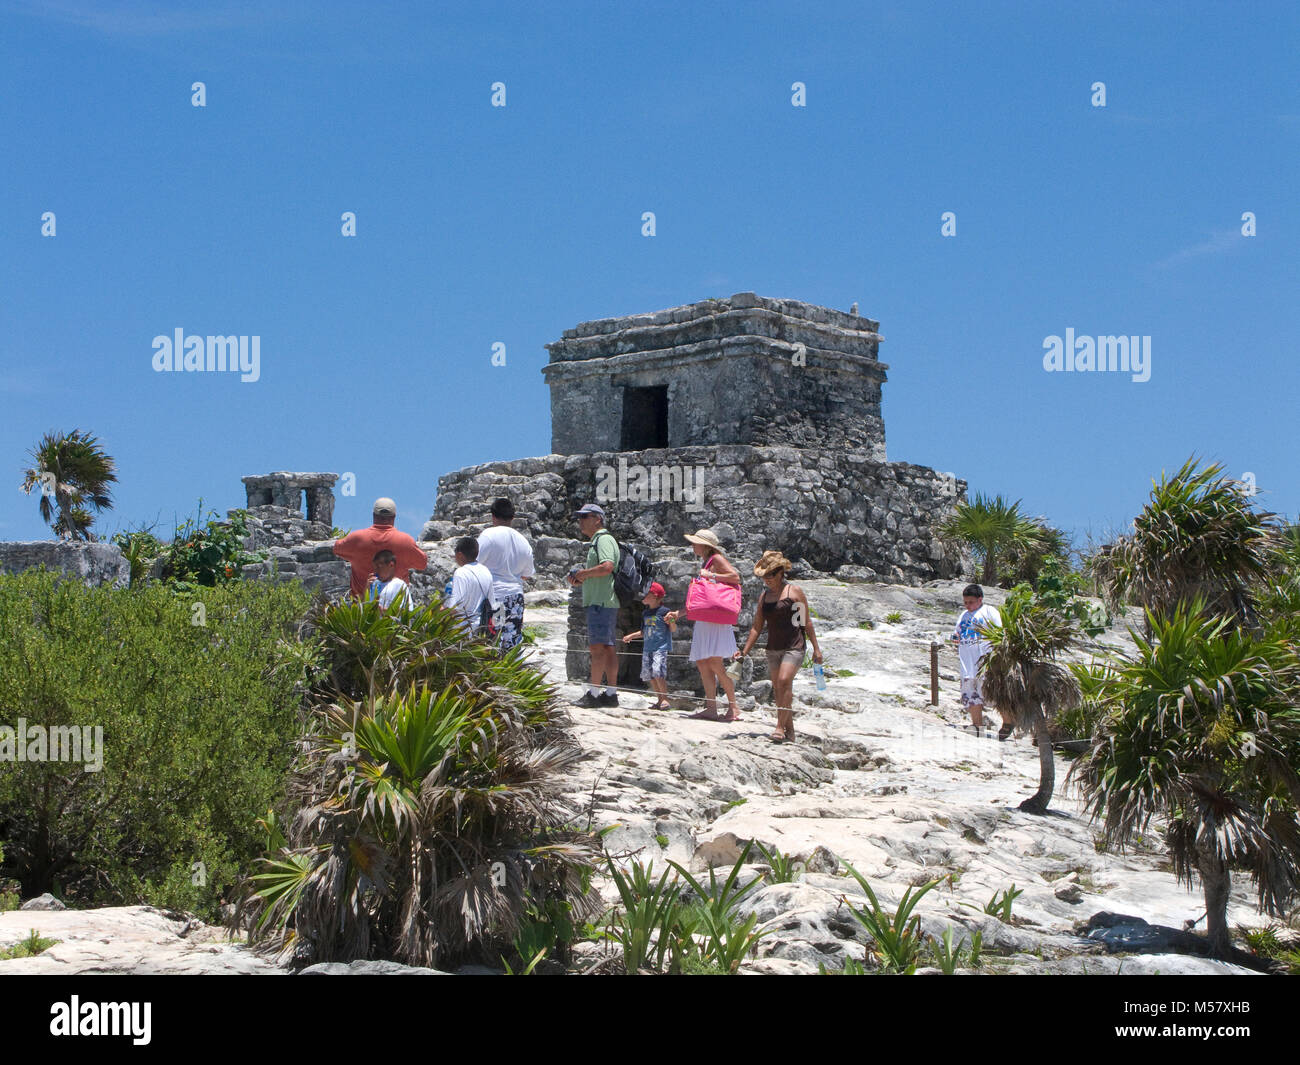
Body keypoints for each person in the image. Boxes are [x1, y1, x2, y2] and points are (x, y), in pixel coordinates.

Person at [735, 550, 822, 742]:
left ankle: (779, 727)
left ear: (781, 572)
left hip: (794, 646)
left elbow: (805, 622)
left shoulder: (794, 593)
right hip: (773, 648)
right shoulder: (764, 598)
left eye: (771, 575)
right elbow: (757, 627)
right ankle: (790, 733)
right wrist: (744, 652)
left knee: (784, 681)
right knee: (778, 689)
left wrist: (816, 648)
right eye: (764, 576)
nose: (767, 579)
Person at [665, 529, 742, 722]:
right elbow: (701, 600)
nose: (692, 546)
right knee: (703, 663)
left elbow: (735, 577)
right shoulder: (707, 562)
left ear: (705, 545)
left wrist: (711, 576)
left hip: (715, 620)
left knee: (714, 663)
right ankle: (711, 707)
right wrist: (680, 613)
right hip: (707, 619)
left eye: (695, 543)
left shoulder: (716, 559)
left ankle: (734, 707)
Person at [567, 503, 620, 708]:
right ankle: (611, 693)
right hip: (605, 600)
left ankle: (594, 694)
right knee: (608, 648)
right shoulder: (601, 540)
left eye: (584, 516)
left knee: (597, 648)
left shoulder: (603, 539)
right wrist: (583, 579)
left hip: (600, 602)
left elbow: (607, 567)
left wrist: (583, 574)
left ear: (597, 519)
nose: (580, 521)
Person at [333, 497, 428, 599]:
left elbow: (337, 548)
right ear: (394, 517)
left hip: (362, 609)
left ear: (374, 515)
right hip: (395, 610)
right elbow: (422, 563)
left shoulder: (357, 538)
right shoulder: (405, 541)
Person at [475, 497, 535, 652]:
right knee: (511, 643)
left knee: (490, 641)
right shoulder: (523, 541)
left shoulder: (488, 535)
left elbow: (474, 564)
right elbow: (527, 573)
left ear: (493, 516)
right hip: (515, 597)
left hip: (495, 597)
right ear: (513, 517)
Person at [951, 583, 1003, 736]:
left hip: (984, 661)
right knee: (971, 694)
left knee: (993, 693)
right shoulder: (963, 615)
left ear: (980, 599)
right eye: (965, 602)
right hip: (967, 662)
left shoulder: (989, 611)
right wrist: (955, 638)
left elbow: (999, 632)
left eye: (971, 602)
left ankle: (1008, 723)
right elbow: (957, 632)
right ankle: (977, 726)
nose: (968, 606)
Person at [622, 582, 676, 710]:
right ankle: (659, 699)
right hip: (648, 649)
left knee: (658, 672)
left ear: (655, 596)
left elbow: (672, 629)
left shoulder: (665, 611)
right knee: (650, 674)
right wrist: (631, 636)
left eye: (647, 594)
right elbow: (643, 632)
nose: (643, 596)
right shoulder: (645, 613)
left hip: (660, 648)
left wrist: (672, 619)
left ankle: (665, 699)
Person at [447, 536, 495, 635]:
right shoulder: (485, 570)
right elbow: (492, 602)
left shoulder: (461, 572)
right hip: (483, 628)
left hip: (464, 630)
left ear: (460, 555)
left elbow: (456, 606)